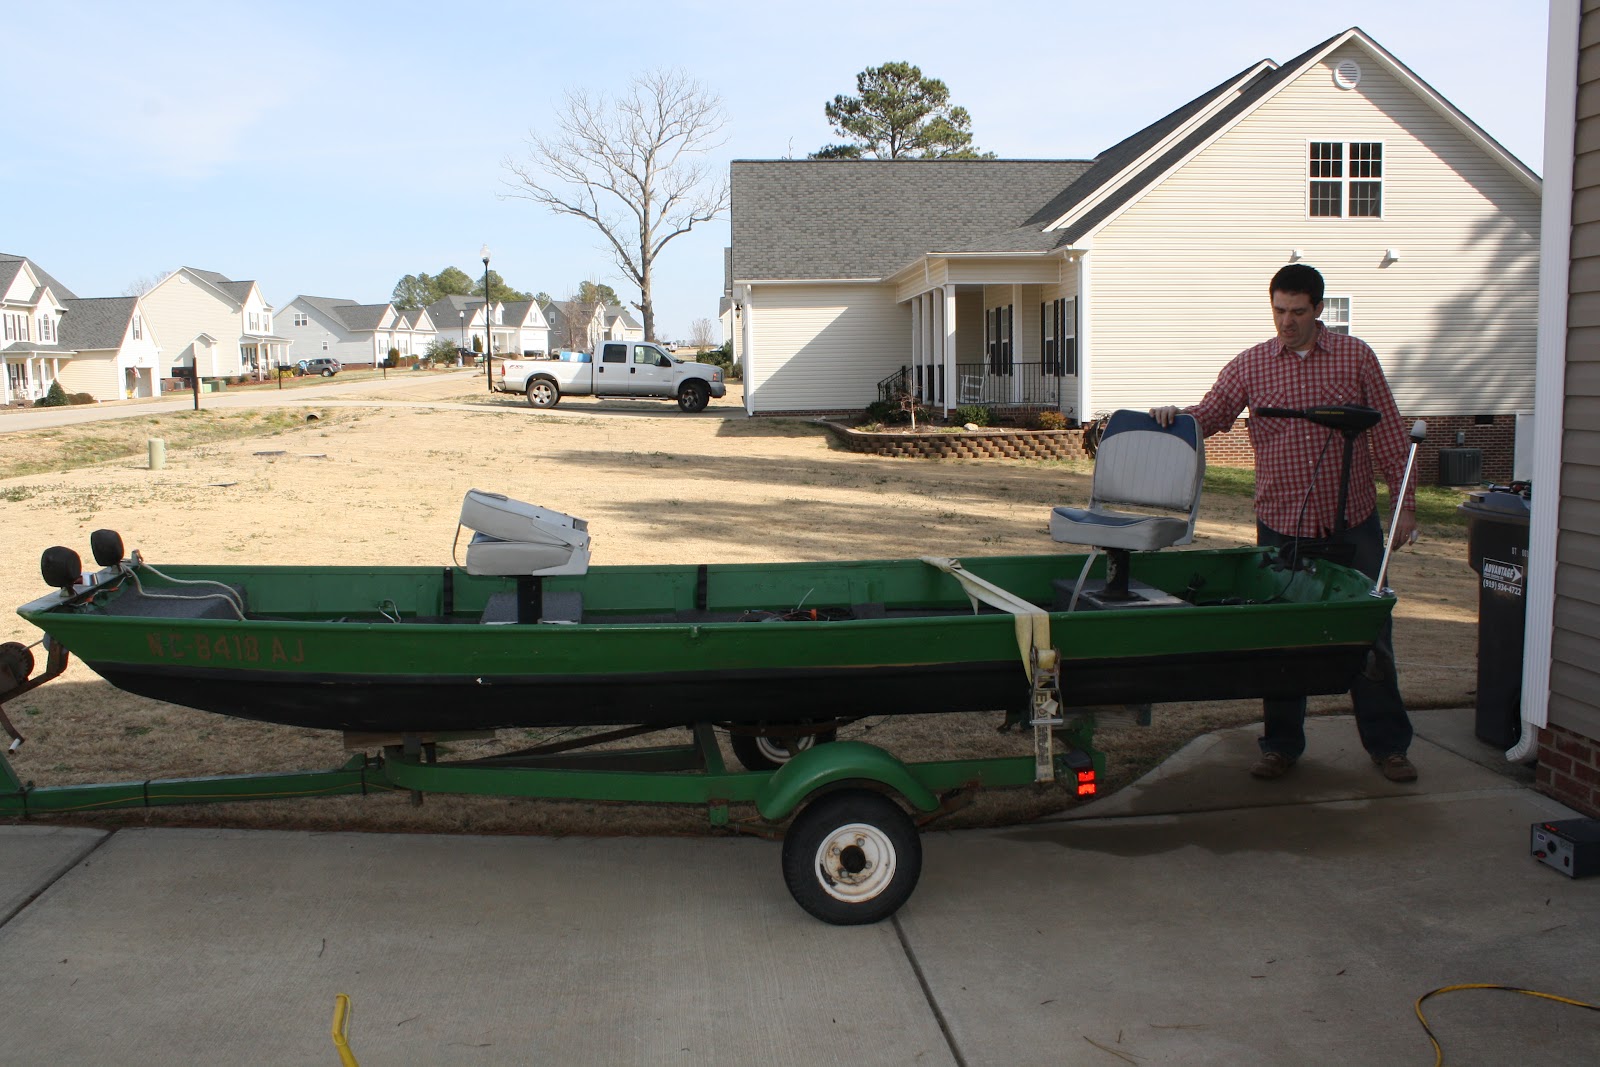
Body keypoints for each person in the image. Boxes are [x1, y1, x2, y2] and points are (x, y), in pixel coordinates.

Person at [1150, 263, 1419, 783]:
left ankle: (1389, 747)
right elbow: (1211, 414)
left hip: (1353, 522)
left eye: (1298, 312)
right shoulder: (1252, 365)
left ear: (1320, 310)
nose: (1287, 322)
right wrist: (1172, 418)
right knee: (1282, 637)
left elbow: (1389, 435)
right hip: (1281, 523)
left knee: (1369, 634)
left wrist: (1404, 505)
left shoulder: (1356, 357)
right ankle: (1280, 745)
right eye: (1278, 311)